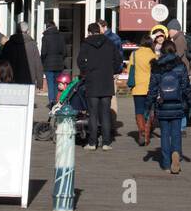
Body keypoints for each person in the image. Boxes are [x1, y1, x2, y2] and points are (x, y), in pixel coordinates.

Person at [148, 38, 191, 174]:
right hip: (177, 104)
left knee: (165, 134)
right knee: (176, 133)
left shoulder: (157, 66)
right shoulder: (181, 66)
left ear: (162, 51)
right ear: (174, 50)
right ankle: (176, 153)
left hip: (162, 104)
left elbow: (152, 89)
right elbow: (186, 87)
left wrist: (148, 105)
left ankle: (167, 164)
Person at [77, 22, 118, 150]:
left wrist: (86, 71)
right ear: (100, 31)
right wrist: (113, 71)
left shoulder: (86, 44)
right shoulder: (109, 43)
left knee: (93, 114)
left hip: (92, 81)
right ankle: (106, 143)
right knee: (105, 113)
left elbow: (80, 61)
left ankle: (92, 142)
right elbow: (118, 60)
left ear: (89, 32)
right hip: (106, 82)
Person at [127, 32, 155, 146]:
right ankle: (147, 133)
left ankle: (141, 130)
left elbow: (129, 70)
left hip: (137, 87)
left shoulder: (134, 54)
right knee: (149, 111)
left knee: (139, 110)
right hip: (150, 87)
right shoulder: (153, 55)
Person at [1, 20, 44, 90]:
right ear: (27, 31)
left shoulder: (8, 44)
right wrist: (40, 82)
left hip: (11, 79)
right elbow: (38, 64)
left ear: (16, 30)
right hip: (28, 79)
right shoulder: (32, 45)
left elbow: (2, 62)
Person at [41, 19, 67, 107]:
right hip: (59, 64)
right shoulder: (61, 36)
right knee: (57, 83)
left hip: (48, 64)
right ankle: (56, 100)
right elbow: (64, 52)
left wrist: (43, 62)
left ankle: (52, 101)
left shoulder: (45, 37)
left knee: (50, 83)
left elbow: (43, 52)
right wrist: (61, 59)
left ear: (47, 27)